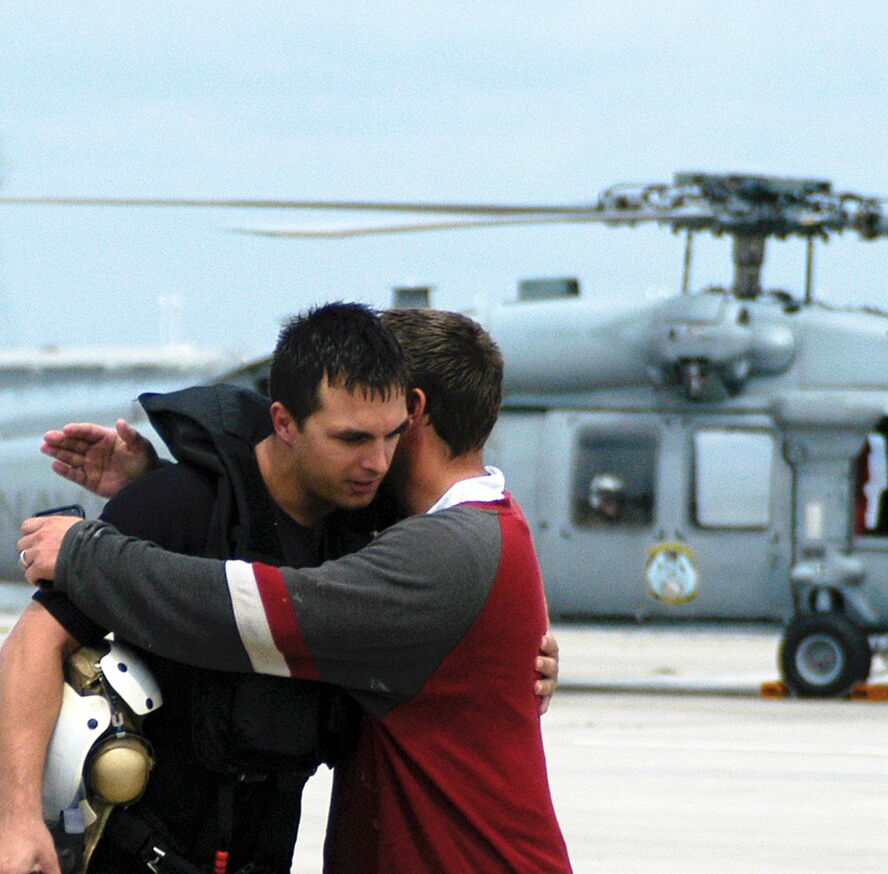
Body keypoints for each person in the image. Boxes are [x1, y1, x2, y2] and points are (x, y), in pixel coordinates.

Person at [20, 310, 573, 872]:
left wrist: (88, 553)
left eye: (384, 431)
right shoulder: (468, 529)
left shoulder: (440, 551)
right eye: (352, 434)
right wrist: (163, 489)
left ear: (411, 409)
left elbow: (258, 611)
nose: (373, 460)